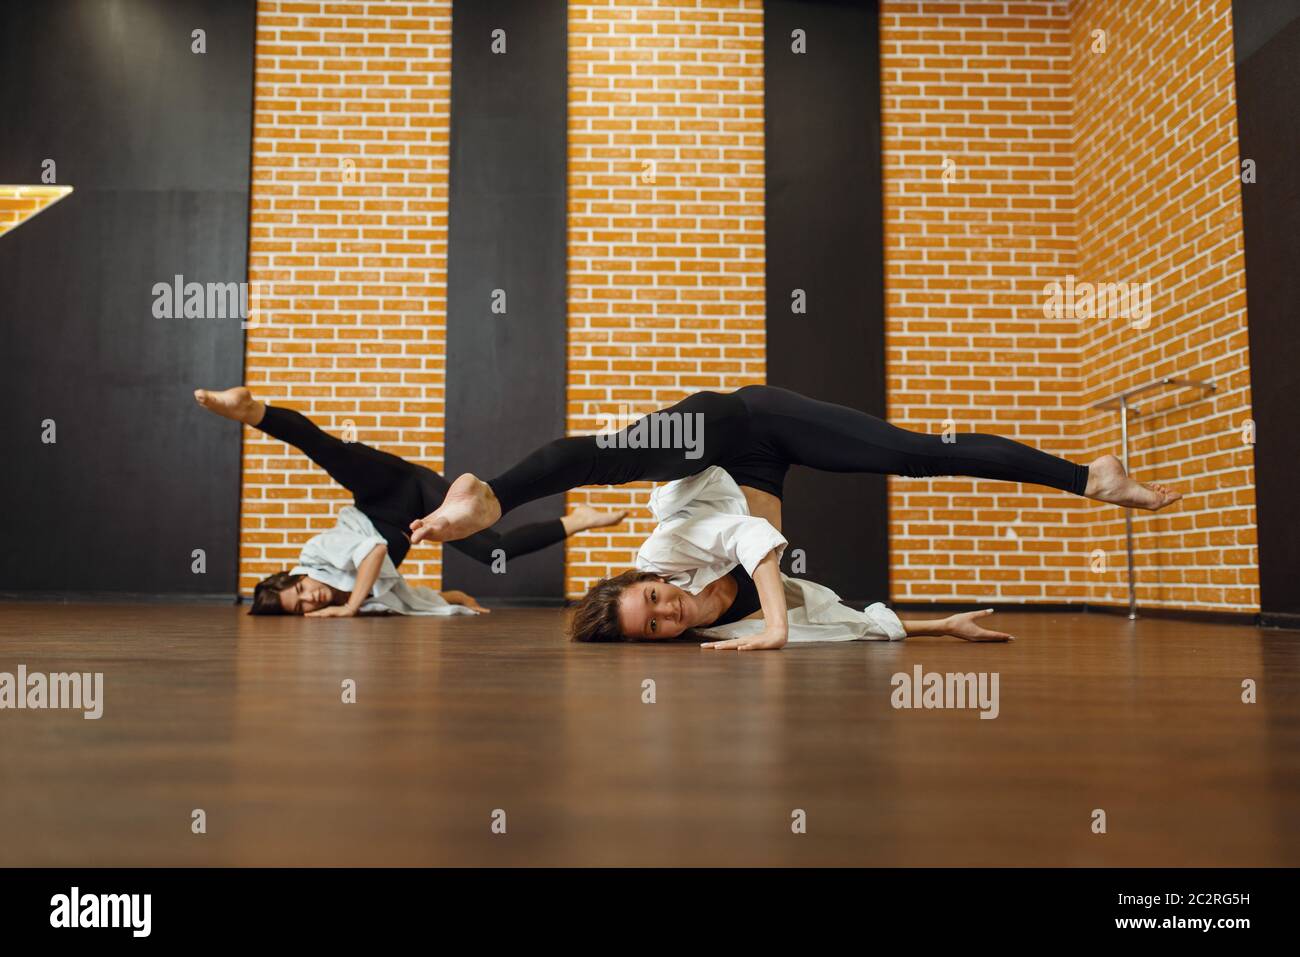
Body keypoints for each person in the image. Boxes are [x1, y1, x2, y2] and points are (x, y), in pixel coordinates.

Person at [194, 386, 626, 617]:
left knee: (331, 451)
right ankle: (580, 520)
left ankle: (251, 410)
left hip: (384, 489)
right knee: (494, 551)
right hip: (420, 506)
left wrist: (349, 610)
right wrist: (451, 598)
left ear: (298, 576)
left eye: (302, 591)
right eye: (302, 607)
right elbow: (403, 595)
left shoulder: (316, 558)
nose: (312, 599)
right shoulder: (365, 601)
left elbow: (375, 549)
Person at [568, 464, 1015, 650]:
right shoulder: (720, 636)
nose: (667, 611)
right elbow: (840, 626)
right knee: (828, 615)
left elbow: (752, 534)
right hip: (770, 509)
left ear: (651, 577)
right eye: (653, 626)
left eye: (652, 597)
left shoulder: (663, 552)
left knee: (668, 487)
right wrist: (944, 627)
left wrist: (776, 628)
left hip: (739, 465)